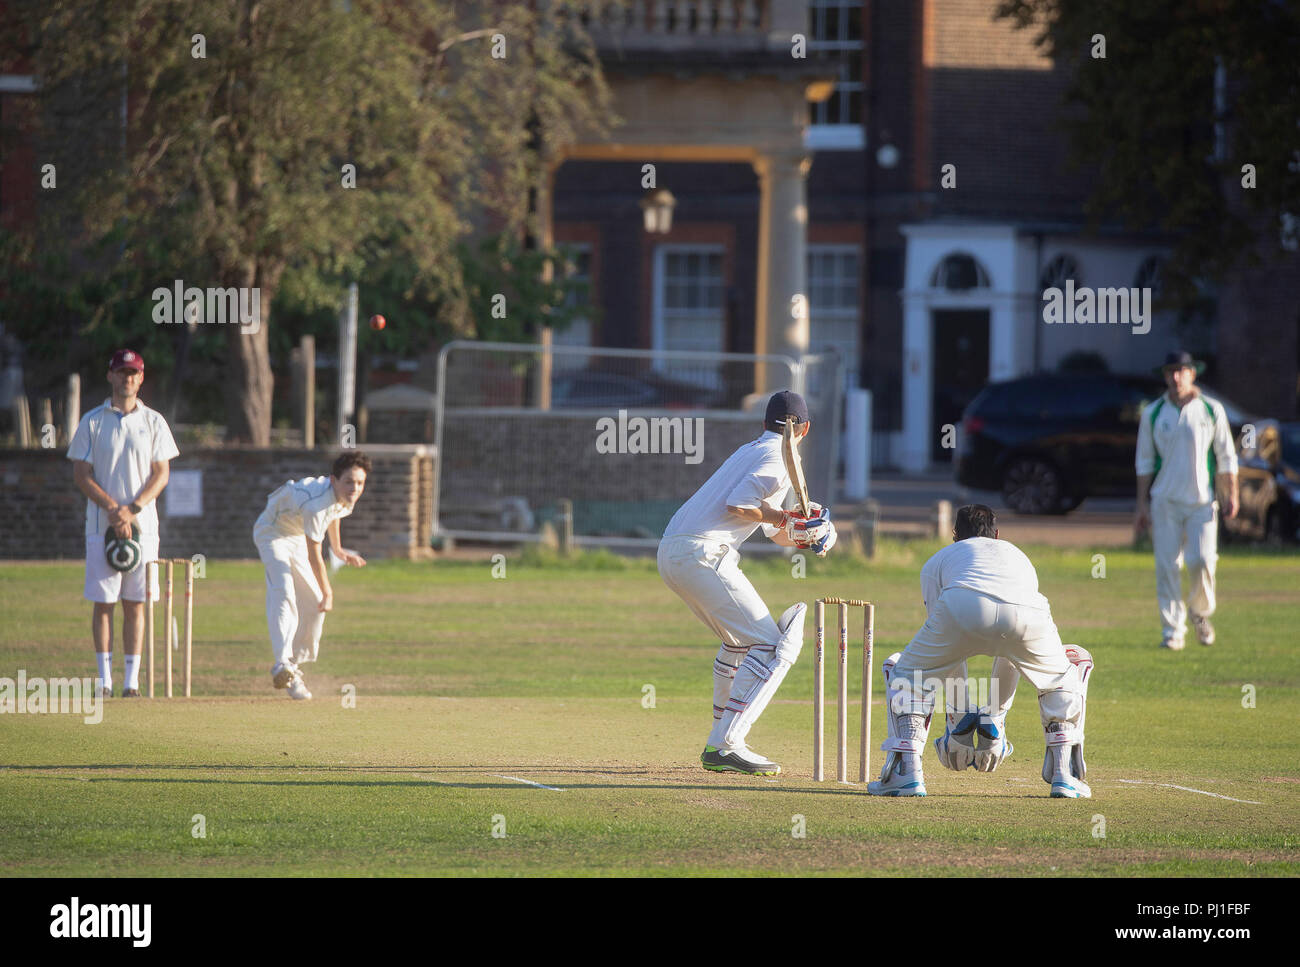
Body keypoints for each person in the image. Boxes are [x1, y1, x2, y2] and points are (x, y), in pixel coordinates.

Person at [658, 390, 837, 776]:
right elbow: (739, 506)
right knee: (775, 647)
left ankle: (719, 738)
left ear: (764, 423)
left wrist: (809, 533)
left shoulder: (753, 450)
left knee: (739, 643)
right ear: (805, 428)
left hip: (675, 551)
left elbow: (775, 531)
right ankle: (726, 744)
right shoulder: (778, 457)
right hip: (702, 554)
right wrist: (783, 517)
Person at [869, 504, 1093, 799]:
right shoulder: (1018, 556)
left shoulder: (939, 560)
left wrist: (958, 714)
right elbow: (1012, 656)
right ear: (997, 535)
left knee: (909, 677)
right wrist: (995, 713)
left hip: (964, 605)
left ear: (955, 536)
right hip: (1028, 615)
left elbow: (948, 654)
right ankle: (1064, 775)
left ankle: (906, 774)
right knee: (1059, 681)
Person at [67, 349, 180, 698]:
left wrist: (132, 509)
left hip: (143, 527)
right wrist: (113, 509)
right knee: (104, 602)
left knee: (136, 603)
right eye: (121, 372)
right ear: (111, 376)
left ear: (141, 378)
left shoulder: (154, 422)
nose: (127, 378)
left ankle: (131, 682)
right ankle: (105, 680)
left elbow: (162, 473)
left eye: (133, 373)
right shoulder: (92, 421)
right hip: (100, 525)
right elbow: (82, 475)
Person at [1135, 351, 1239, 650]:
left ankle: (1200, 612)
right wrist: (1141, 506)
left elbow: (1226, 456)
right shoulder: (1153, 412)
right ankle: (1172, 631)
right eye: (1171, 372)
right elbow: (1143, 463)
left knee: (1202, 560)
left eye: (1182, 371)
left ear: (1193, 374)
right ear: (1165, 375)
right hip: (1165, 501)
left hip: (1202, 501)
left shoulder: (1211, 409)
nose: (1176, 377)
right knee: (1167, 565)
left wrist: (1231, 493)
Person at [252, 451, 371, 700]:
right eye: (349, 481)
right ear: (333, 480)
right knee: (284, 590)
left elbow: (335, 514)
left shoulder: (343, 496)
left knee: (315, 605)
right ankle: (281, 662)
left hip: (295, 536)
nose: (355, 488)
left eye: (360, 482)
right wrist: (329, 591)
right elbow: (315, 553)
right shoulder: (317, 503)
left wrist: (338, 550)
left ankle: (292, 669)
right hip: (272, 533)